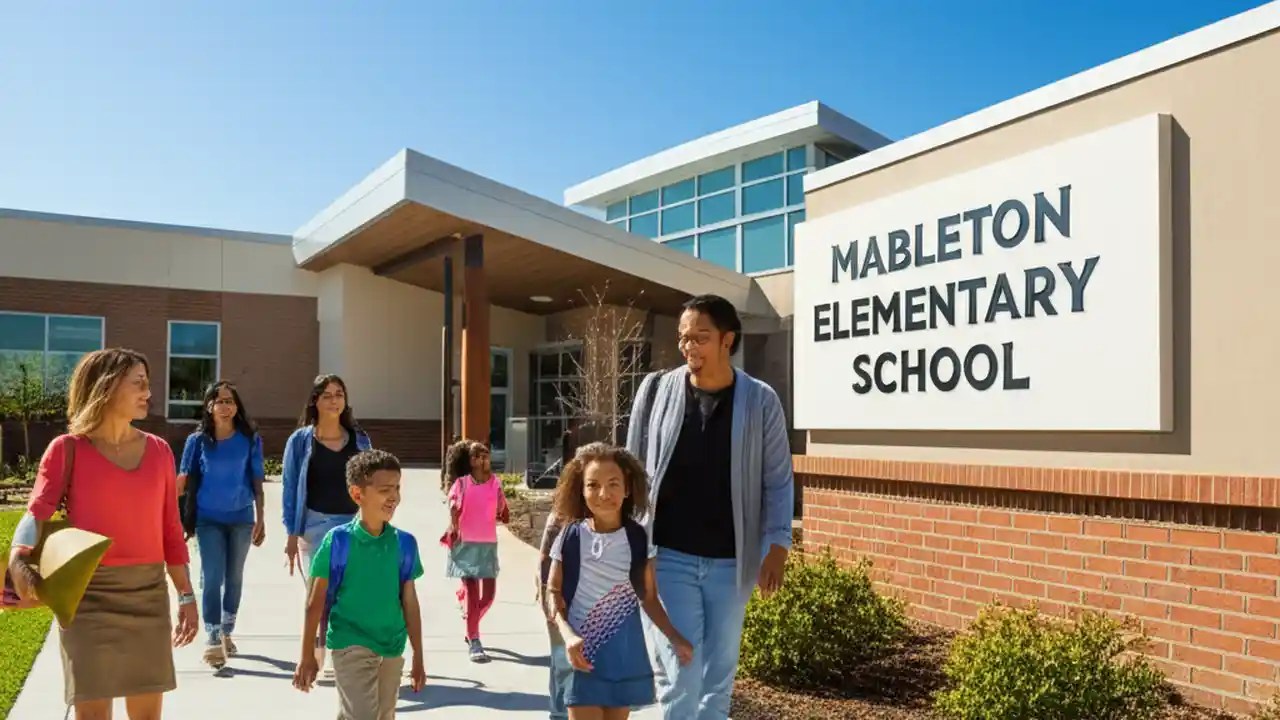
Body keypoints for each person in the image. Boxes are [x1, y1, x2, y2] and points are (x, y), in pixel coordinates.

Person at [626, 294, 795, 720]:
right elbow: (629, 470)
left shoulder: (760, 401)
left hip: (730, 564)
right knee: (682, 677)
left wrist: (777, 544)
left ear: (727, 340)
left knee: (716, 684)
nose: (689, 348)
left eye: (701, 337)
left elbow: (777, 479)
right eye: (684, 339)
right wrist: (628, 545)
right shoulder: (656, 392)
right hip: (669, 558)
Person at [6, 348, 197, 720]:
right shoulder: (67, 449)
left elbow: (171, 531)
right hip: (86, 598)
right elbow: (37, 511)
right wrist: (18, 554)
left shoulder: (159, 452)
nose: (148, 392)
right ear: (107, 387)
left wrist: (186, 593)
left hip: (147, 595)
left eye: (147, 383)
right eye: (138, 383)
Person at [544, 442, 692, 719]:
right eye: (593, 485)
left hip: (622, 655)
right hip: (582, 655)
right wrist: (567, 634)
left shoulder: (637, 539)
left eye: (613, 484)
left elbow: (648, 597)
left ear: (627, 488)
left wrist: (674, 637)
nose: (603, 494)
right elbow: (552, 592)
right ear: (581, 489)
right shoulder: (570, 536)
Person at [293, 449, 427, 719]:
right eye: (385, 489)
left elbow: (410, 603)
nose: (394, 497)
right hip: (350, 642)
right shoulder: (339, 541)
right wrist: (307, 654)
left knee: (383, 715)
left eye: (397, 488)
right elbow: (314, 602)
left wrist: (418, 656)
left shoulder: (405, 544)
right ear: (358, 494)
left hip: (391, 646)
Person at [282, 373, 372, 674]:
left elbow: (371, 484)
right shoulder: (300, 441)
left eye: (339, 394)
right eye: (327, 395)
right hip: (314, 525)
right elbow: (290, 487)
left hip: (352, 525)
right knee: (319, 594)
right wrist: (291, 535)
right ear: (316, 402)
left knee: (345, 594)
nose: (334, 400)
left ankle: (334, 651)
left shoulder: (360, 440)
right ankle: (320, 646)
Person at [177, 380, 267, 671]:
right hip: (208, 519)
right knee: (212, 576)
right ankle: (213, 640)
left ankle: (227, 630)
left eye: (230, 401)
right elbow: (182, 482)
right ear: (209, 406)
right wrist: (172, 518)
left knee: (235, 577)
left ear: (237, 406)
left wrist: (261, 516)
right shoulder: (197, 441)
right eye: (219, 401)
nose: (225, 406)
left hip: (241, 517)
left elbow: (256, 481)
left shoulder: (249, 438)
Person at [443, 439, 509, 663]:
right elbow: (453, 504)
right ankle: (474, 640)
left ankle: (469, 620)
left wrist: (504, 509)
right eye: (476, 456)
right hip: (465, 544)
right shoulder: (461, 484)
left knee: (488, 596)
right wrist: (454, 523)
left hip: (488, 545)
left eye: (485, 454)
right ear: (468, 461)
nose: (482, 459)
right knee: (473, 592)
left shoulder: (495, 483)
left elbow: (501, 506)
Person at [537, 511, 572, 719]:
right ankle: (559, 714)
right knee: (563, 663)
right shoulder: (560, 517)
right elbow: (544, 564)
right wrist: (549, 604)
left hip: (603, 609)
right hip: (563, 603)